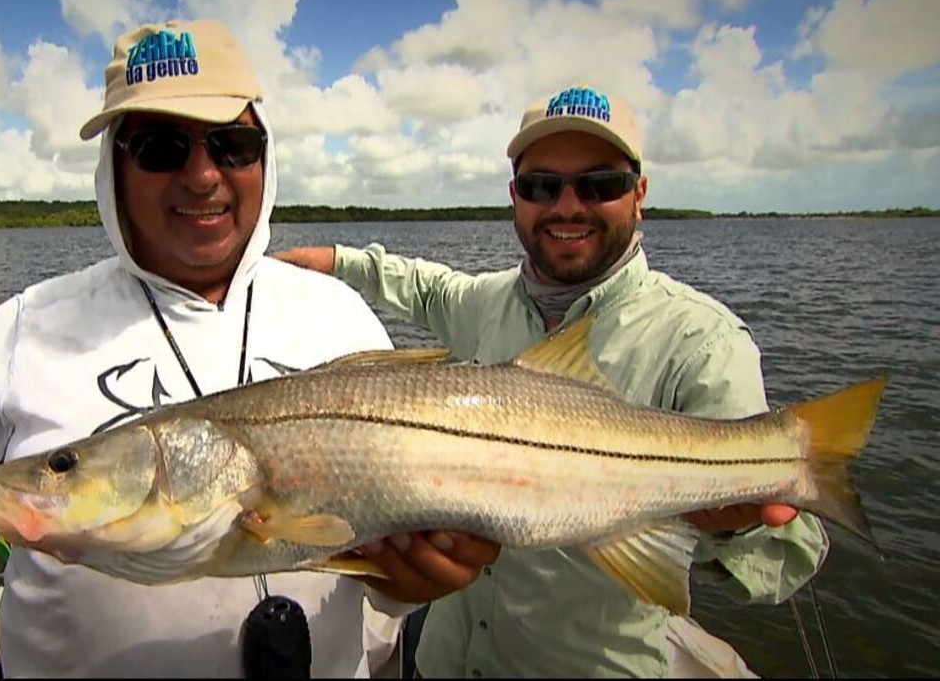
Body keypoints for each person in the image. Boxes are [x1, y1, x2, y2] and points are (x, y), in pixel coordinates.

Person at [0, 18, 497, 677]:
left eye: (232, 143)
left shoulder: (340, 316)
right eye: (160, 146)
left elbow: (384, 576)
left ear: (263, 158)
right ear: (114, 171)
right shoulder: (31, 324)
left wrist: (407, 585)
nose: (202, 174)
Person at [273, 83, 830, 678]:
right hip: (445, 663)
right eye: (543, 186)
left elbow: (792, 554)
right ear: (515, 196)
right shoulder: (488, 302)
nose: (568, 206)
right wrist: (334, 258)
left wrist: (735, 524)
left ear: (639, 194)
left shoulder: (703, 342)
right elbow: (426, 286)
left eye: (599, 185)